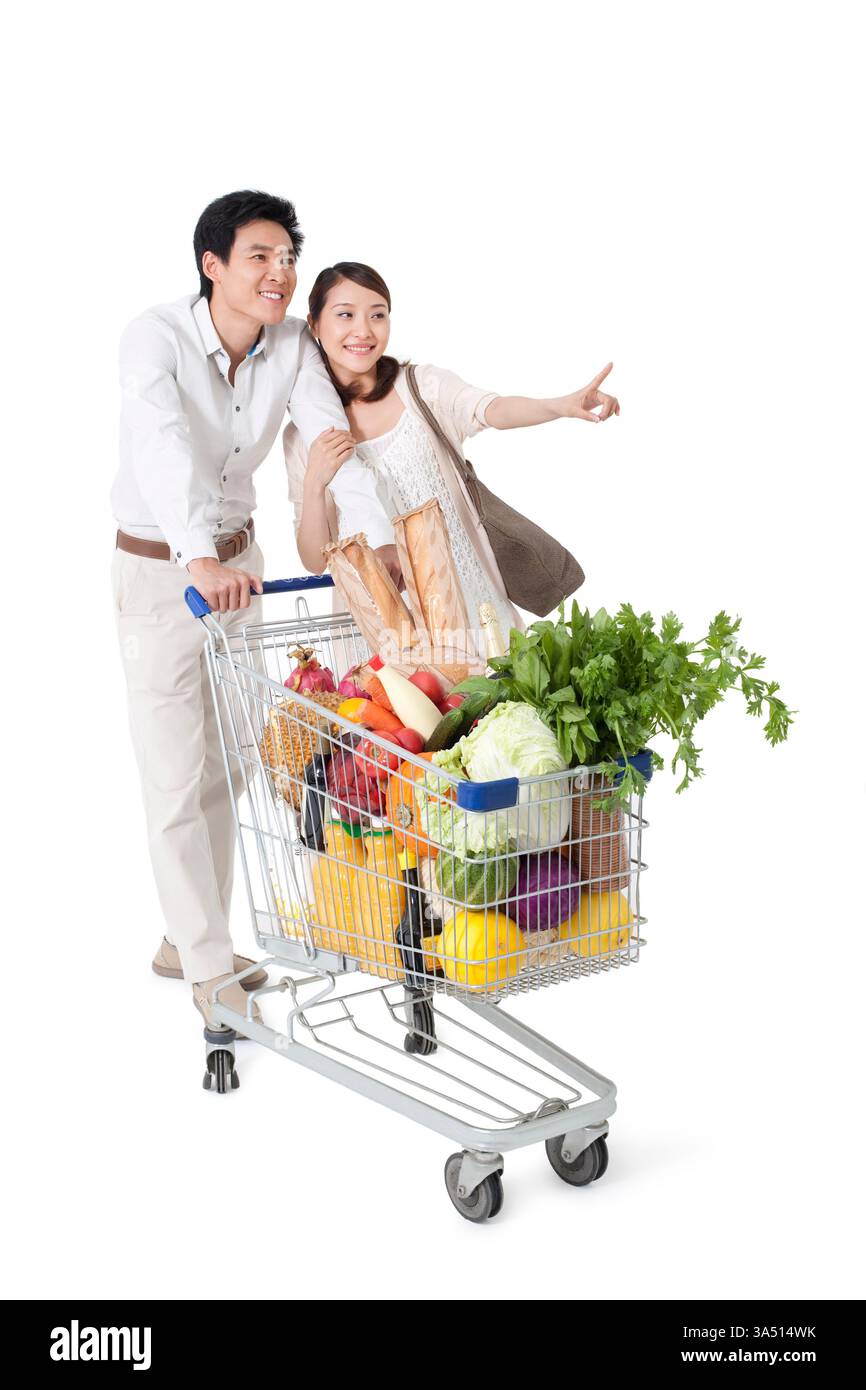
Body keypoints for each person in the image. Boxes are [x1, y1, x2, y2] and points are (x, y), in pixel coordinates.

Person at [111, 190, 364, 1032]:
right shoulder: (156, 336)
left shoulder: (290, 345)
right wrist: (197, 555)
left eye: (288, 259)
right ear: (211, 265)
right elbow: (160, 446)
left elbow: (328, 439)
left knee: (232, 760)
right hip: (161, 571)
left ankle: (188, 939)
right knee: (175, 771)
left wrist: (362, 538)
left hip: (240, 573)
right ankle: (208, 964)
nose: (280, 274)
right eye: (259, 257)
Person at [284, 262, 619, 653]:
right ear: (314, 324)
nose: (364, 330)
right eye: (345, 315)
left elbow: (490, 409)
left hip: (472, 613)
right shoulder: (303, 437)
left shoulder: (420, 387)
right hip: (382, 637)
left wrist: (560, 405)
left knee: (503, 710)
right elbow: (313, 558)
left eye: (378, 315)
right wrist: (314, 482)